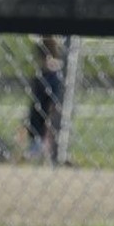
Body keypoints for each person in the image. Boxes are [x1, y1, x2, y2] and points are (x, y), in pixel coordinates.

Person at [24, 35, 64, 164]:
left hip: (45, 117)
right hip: (38, 118)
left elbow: (53, 102)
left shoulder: (53, 72)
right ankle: (39, 146)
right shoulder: (41, 72)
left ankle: (43, 147)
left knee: (46, 115)